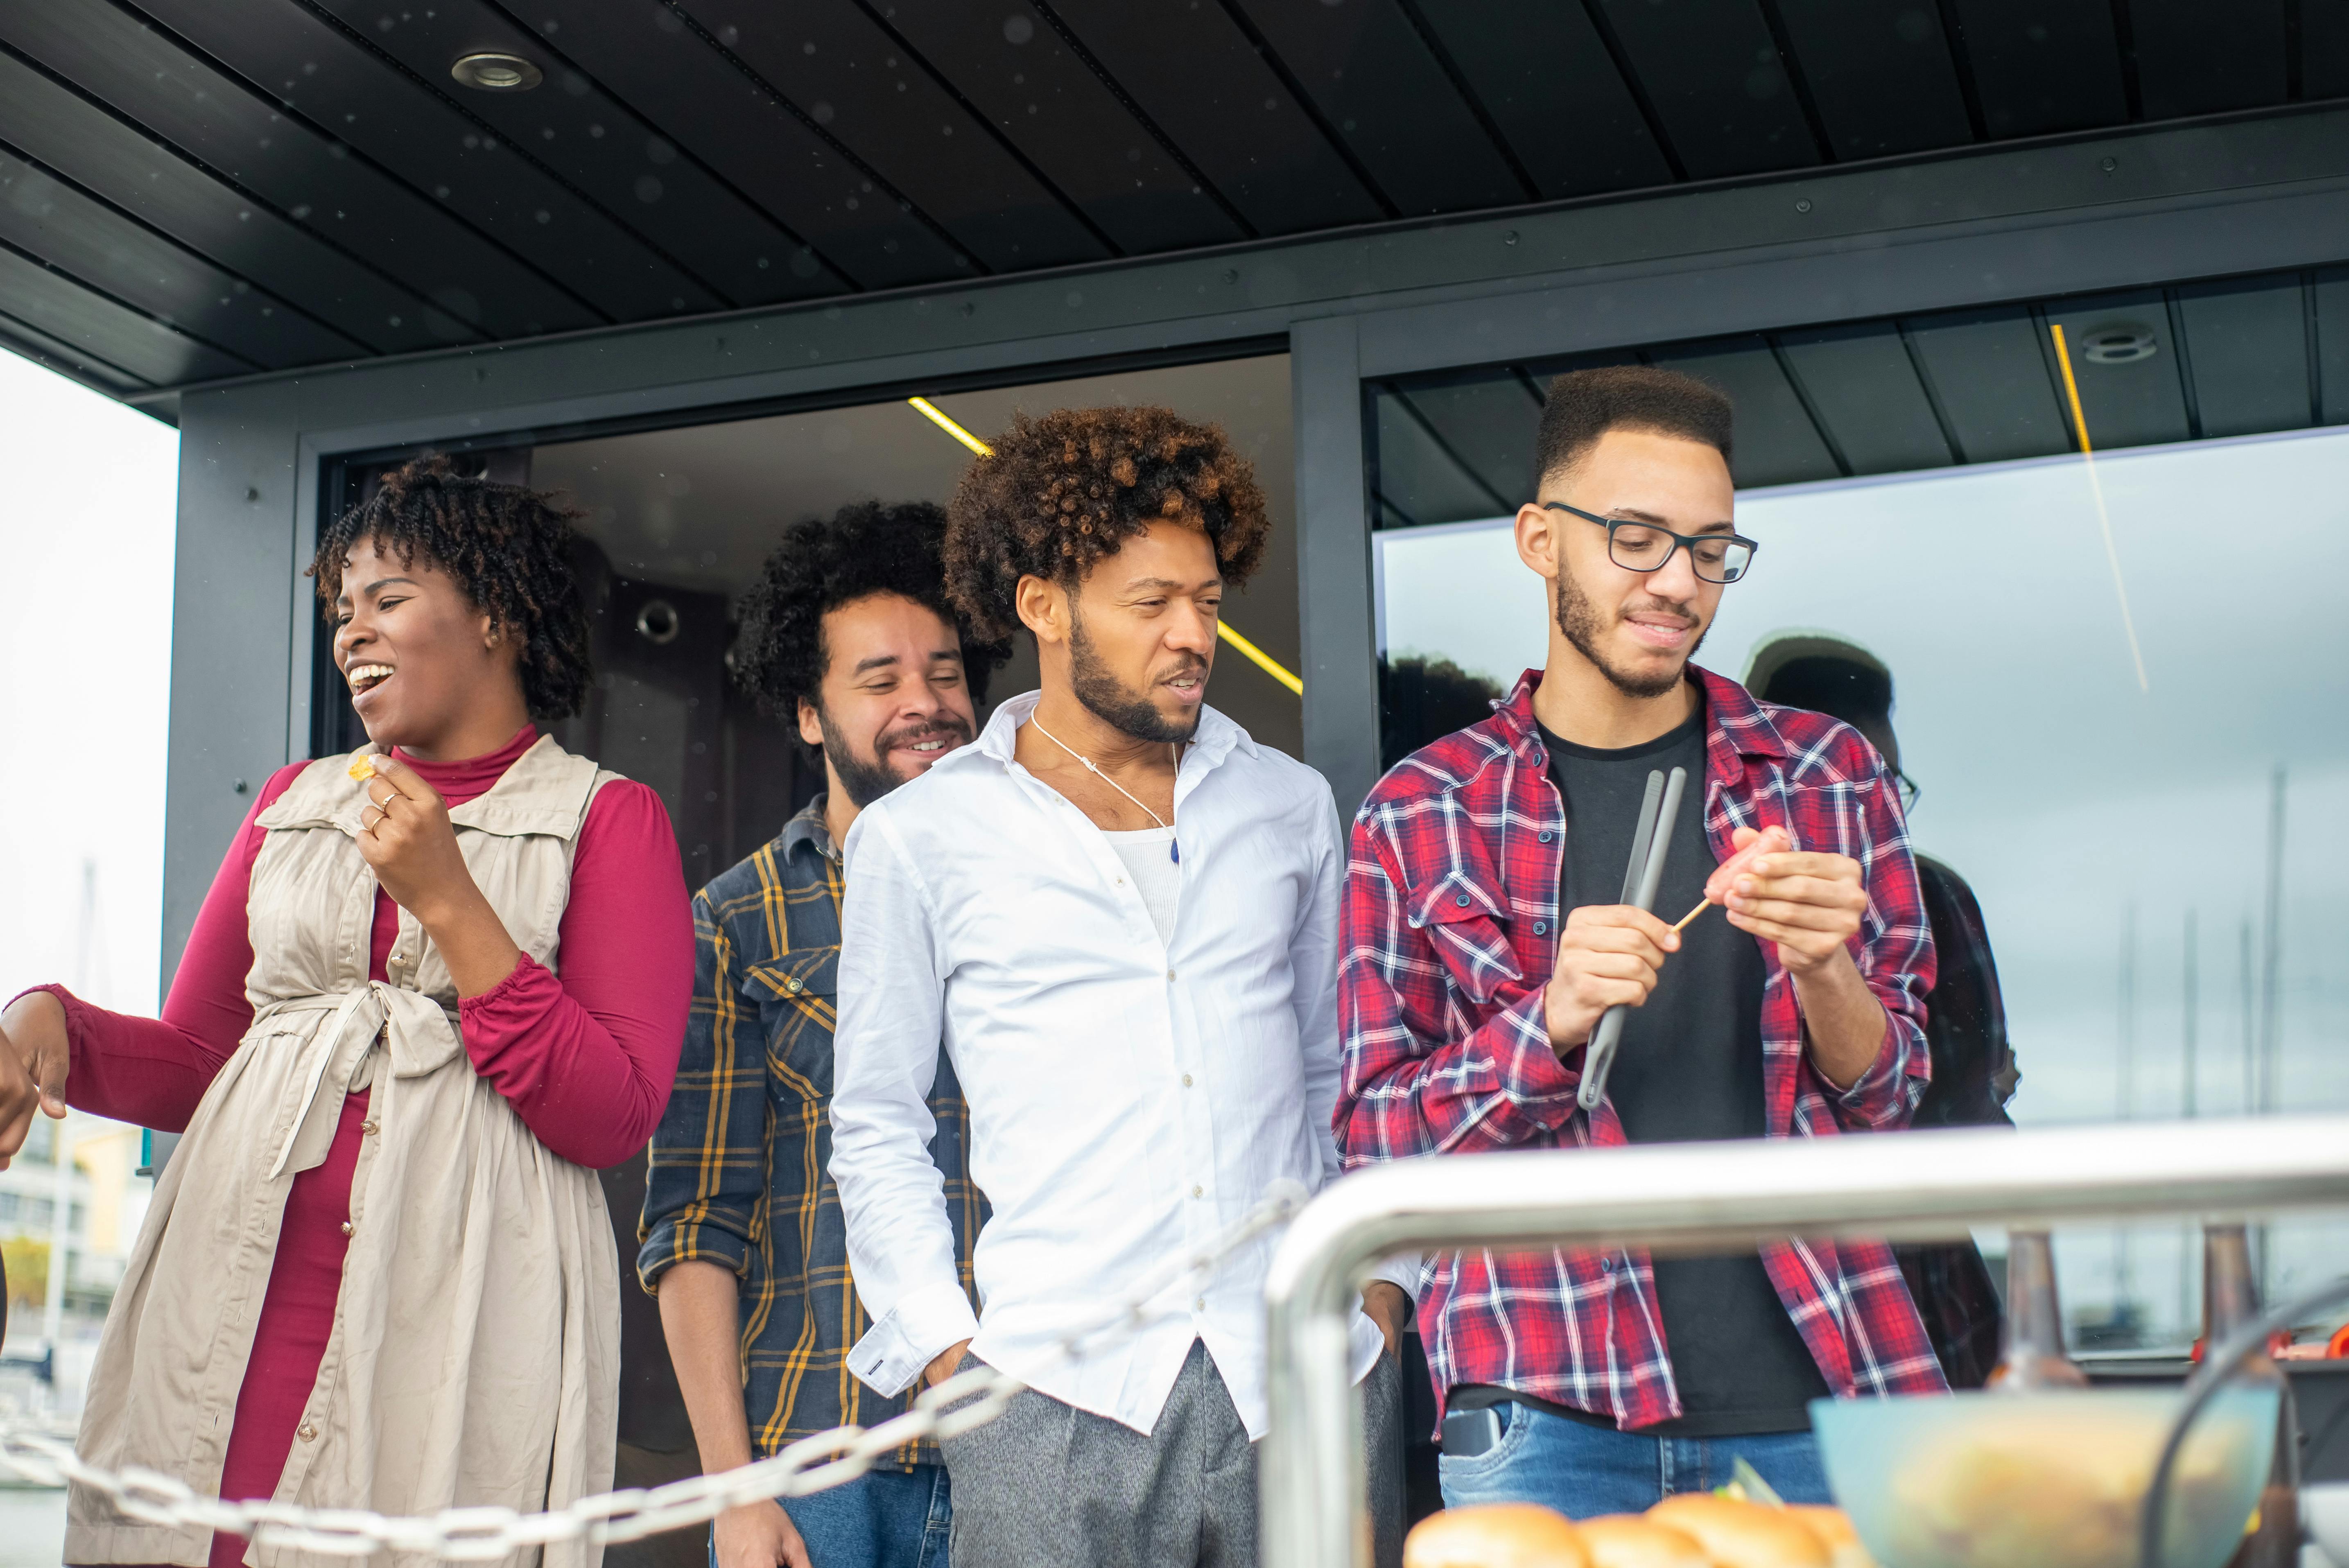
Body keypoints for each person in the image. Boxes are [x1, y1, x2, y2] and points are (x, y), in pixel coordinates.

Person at [0, 455, 693, 1567]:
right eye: (340, 610)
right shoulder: (291, 802)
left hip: (451, 1325)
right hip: (226, 1295)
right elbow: (195, 1059)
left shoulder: (609, 821)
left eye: (387, 599)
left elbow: (611, 1112)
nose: (350, 633)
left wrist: (454, 904)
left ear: (496, 614)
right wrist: (54, 1028)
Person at [1335, 366, 1947, 1521]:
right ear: (1536, 539)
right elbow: (1374, 1145)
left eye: (1711, 549)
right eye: (1635, 538)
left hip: (1823, 1386)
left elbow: (1898, 1094)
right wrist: (1549, 1021)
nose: (1678, 582)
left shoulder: (1824, 772)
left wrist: (1827, 972)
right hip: (1544, 1409)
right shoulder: (1422, 808)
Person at [827, 407, 1413, 1568]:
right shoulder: (920, 835)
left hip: (1301, 1371)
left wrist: (1381, 1299)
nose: (1192, 634)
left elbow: (1335, 1071)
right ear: (1044, 604)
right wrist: (950, 1354)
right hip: (1049, 1397)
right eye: (1151, 604)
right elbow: (877, 1120)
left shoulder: (1288, 803)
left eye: (1206, 598)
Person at [638, 502, 1006, 1568]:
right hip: (820, 1463)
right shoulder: (735, 919)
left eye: (944, 672)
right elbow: (696, 1226)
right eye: (879, 679)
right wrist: (737, 1493)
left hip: (1029, 1440)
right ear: (808, 712)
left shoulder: (1042, 892)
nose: (924, 703)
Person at [1748, 636, 2017, 1387]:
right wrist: (1986, 1088)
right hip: (1912, 1273)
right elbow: (1963, 1119)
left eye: (1887, 784)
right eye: (1867, 780)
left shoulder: (1699, 897)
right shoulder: (1934, 898)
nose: (1880, 809)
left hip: (1764, 1291)